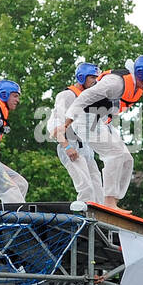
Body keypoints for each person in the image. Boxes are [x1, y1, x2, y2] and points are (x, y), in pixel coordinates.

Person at [62, 55, 143, 210]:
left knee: (127, 158)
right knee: (114, 154)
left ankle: (113, 200)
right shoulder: (116, 82)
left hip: (99, 121)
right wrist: (69, 118)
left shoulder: (136, 87)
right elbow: (86, 96)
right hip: (83, 120)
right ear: (141, 73)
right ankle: (108, 201)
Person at [51, 62, 104, 205]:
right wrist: (67, 147)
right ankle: (85, 221)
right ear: (82, 77)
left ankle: (102, 221)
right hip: (70, 144)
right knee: (86, 188)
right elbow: (55, 126)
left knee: (98, 188)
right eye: (92, 77)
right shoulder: (67, 95)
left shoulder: (90, 98)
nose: (96, 81)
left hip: (86, 147)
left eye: (97, 78)